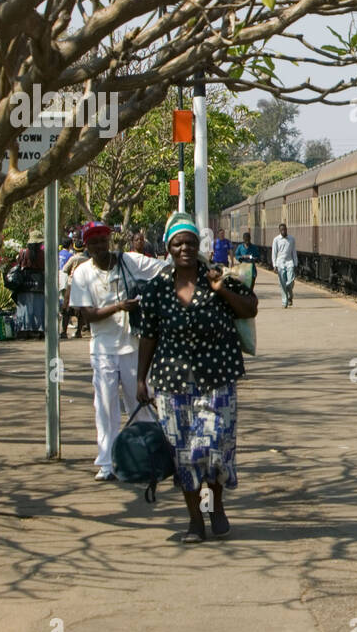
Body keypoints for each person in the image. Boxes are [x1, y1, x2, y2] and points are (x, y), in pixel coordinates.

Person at [137, 211, 257, 542]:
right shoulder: (155, 289)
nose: (185, 248)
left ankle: (215, 506)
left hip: (216, 377)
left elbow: (250, 308)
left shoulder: (217, 276)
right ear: (169, 248)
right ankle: (195, 521)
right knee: (184, 454)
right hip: (171, 382)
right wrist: (140, 379)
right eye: (179, 243)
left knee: (215, 447)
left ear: (198, 245)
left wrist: (222, 291)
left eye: (190, 242)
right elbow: (148, 336)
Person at [69, 221, 168, 481]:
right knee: (105, 405)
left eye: (103, 241)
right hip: (102, 348)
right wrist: (119, 307)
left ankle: (147, 457)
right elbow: (88, 315)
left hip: (132, 346)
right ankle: (107, 462)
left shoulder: (129, 261)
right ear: (87, 246)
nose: (99, 247)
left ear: (109, 241)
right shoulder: (82, 274)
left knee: (140, 401)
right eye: (93, 243)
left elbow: (165, 268)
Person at [12, 230, 45, 339]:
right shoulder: (43, 253)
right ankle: (38, 330)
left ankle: (23, 330)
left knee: (25, 306)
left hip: (24, 282)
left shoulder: (23, 252)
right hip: (39, 282)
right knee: (39, 306)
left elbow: (19, 264)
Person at [61, 240, 90, 340]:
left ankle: (64, 332)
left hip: (71, 283)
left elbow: (65, 269)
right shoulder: (87, 259)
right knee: (81, 308)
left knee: (66, 308)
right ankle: (78, 332)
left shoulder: (73, 258)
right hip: (83, 285)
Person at [271, 223, 297, 308]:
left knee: (290, 282)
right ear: (279, 231)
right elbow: (274, 253)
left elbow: (294, 252)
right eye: (282, 230)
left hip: (290, 262)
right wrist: (274, 265)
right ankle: (284, 302)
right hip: (280, 263)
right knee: (282, 284)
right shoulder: (276, 240)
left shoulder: (291, 239)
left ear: (286, 229)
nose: (283, 231)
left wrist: (295, 263)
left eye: (285, 229)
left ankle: (290, 295)